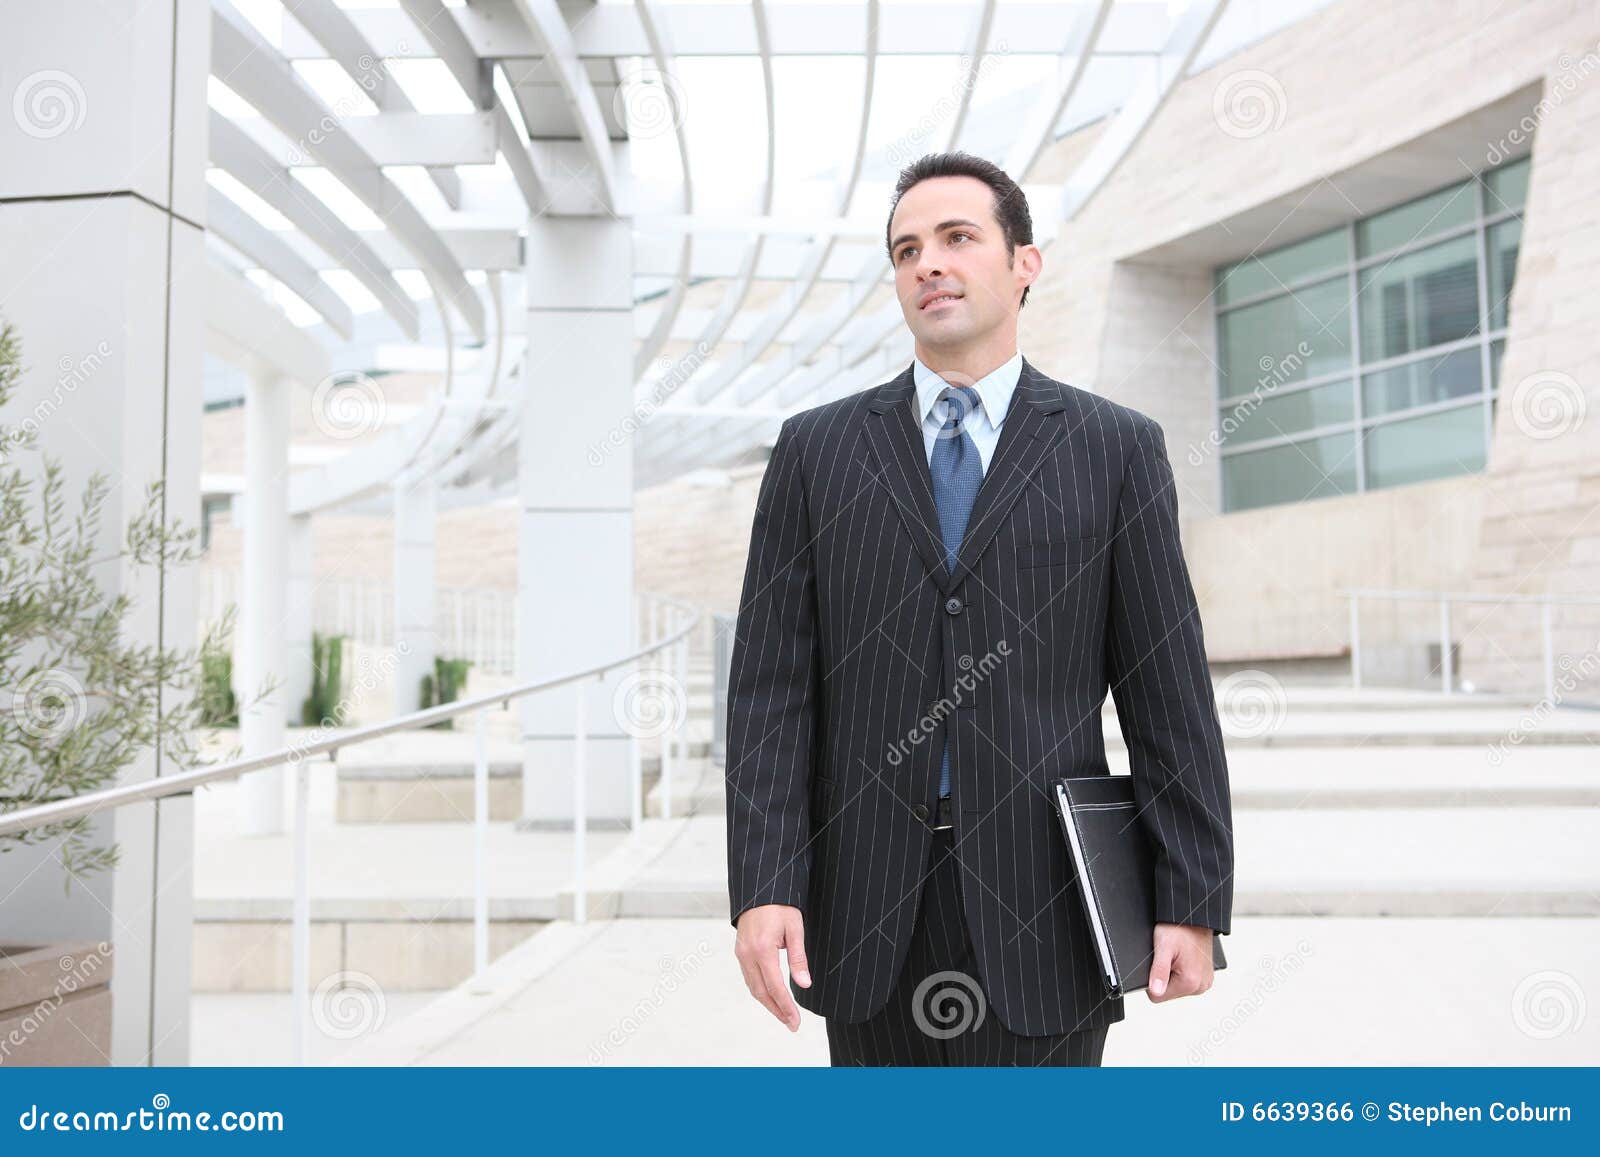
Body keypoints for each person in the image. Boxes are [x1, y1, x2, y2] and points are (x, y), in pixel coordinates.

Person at [724, 150, 1234, 1066]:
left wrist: (1191, 894)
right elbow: (771, 691)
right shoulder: (815, 452)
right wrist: (763, 883)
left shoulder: (1115, 449)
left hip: (1048, 904)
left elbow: (1168, 689)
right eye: (907, 248)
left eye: (958, 238)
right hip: (868, 901)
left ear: (1023, 263)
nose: (929, 263)